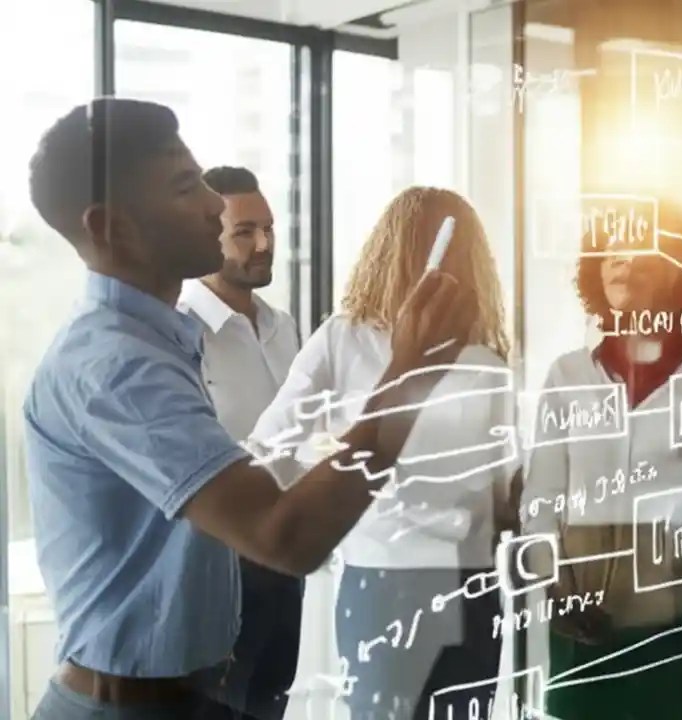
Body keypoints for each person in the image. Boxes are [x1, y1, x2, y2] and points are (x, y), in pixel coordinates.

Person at [23, 98, 473, 719]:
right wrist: (408, 375)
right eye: (187, 187)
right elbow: (280, 534)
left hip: (198, 694)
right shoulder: (117, 365)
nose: (214, 205)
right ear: (111, 227)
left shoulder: (157, 341)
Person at [247, 186, 517, 720]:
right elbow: (269, 445)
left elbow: (499, 489)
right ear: (399, 251)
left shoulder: (486, 362)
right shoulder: (342, 341)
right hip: (382, 583)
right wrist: (338, 469)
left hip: (471, 586)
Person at [520, 204, 682, 720]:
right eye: (611, 250)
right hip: (585, 628)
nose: (623, 261)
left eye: (640, 247)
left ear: (674, 264)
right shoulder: (567, 375)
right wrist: (556, 591)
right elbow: (540, 501)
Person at [175, 165, 301, 719]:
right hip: (217, 572)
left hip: (284, 559)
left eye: (269, 228)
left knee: (270, 704)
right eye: (244, 232)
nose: (264, 244)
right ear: (210, 235)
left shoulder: (284, 327)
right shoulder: (181, 332)